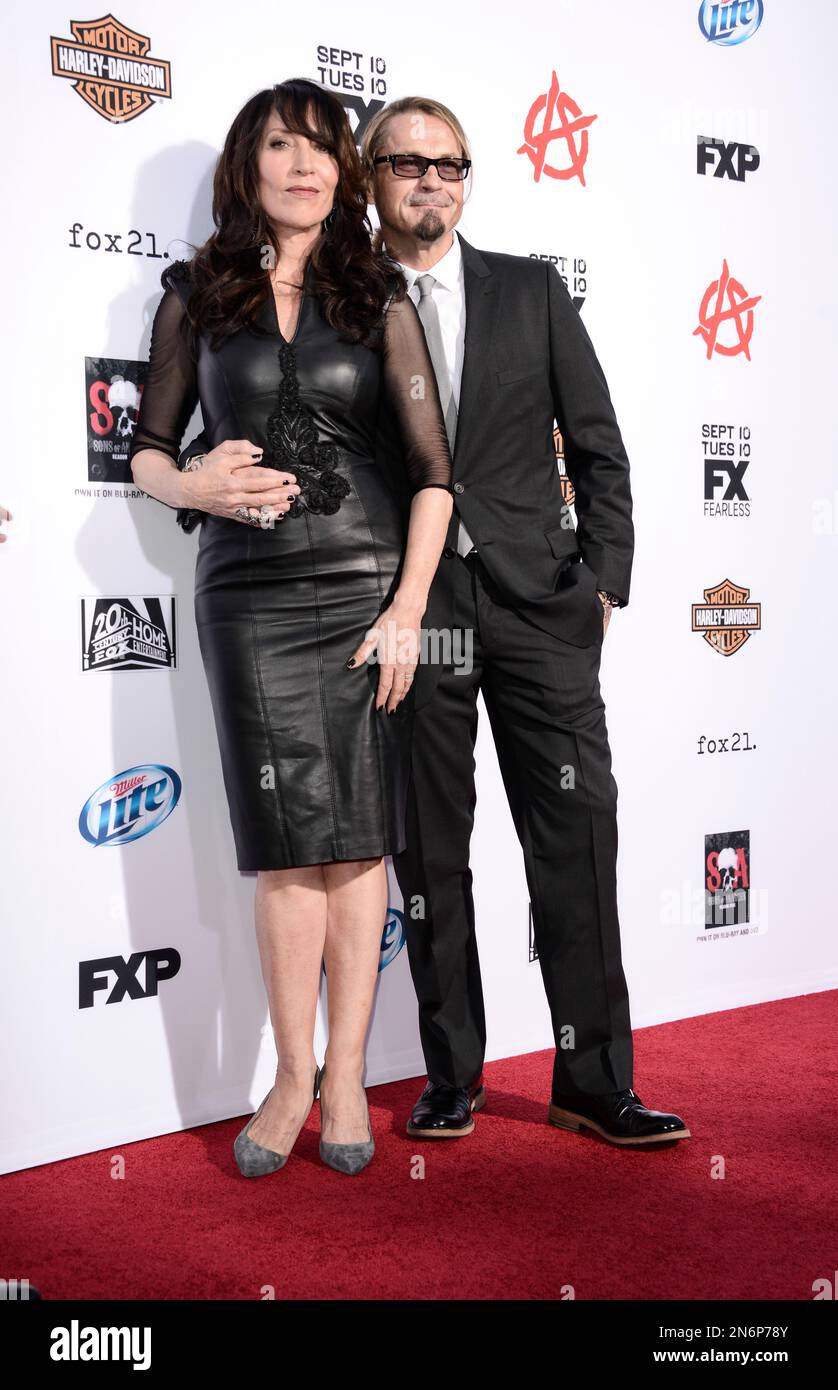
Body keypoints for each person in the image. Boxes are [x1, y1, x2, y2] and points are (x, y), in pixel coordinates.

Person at [129, 79, 453, 1177]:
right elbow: (145, 450)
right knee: (284, 855)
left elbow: (432, 475)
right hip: (248, 594)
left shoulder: (380, 299)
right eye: (282, 146)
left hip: (365, 588)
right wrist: (195, 488)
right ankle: (289, 1076)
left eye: (322, 149)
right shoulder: (196, 293)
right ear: (248, 164)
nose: (304, 166)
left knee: (357, 843)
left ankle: (351, 1074)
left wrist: (410, 610)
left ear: (344, 172)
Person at [360, 96, 690, 1147]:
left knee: (577, 836)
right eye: (409, 162)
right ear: (372, 177)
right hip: (422, 613)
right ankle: (451, 1074)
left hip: (540, 611)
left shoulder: (533, 291)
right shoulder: (340, 302)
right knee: (433, 849)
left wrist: (601, 581)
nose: (433, 180)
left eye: (451, 163)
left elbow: (598, 447)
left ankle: (593, 1078)